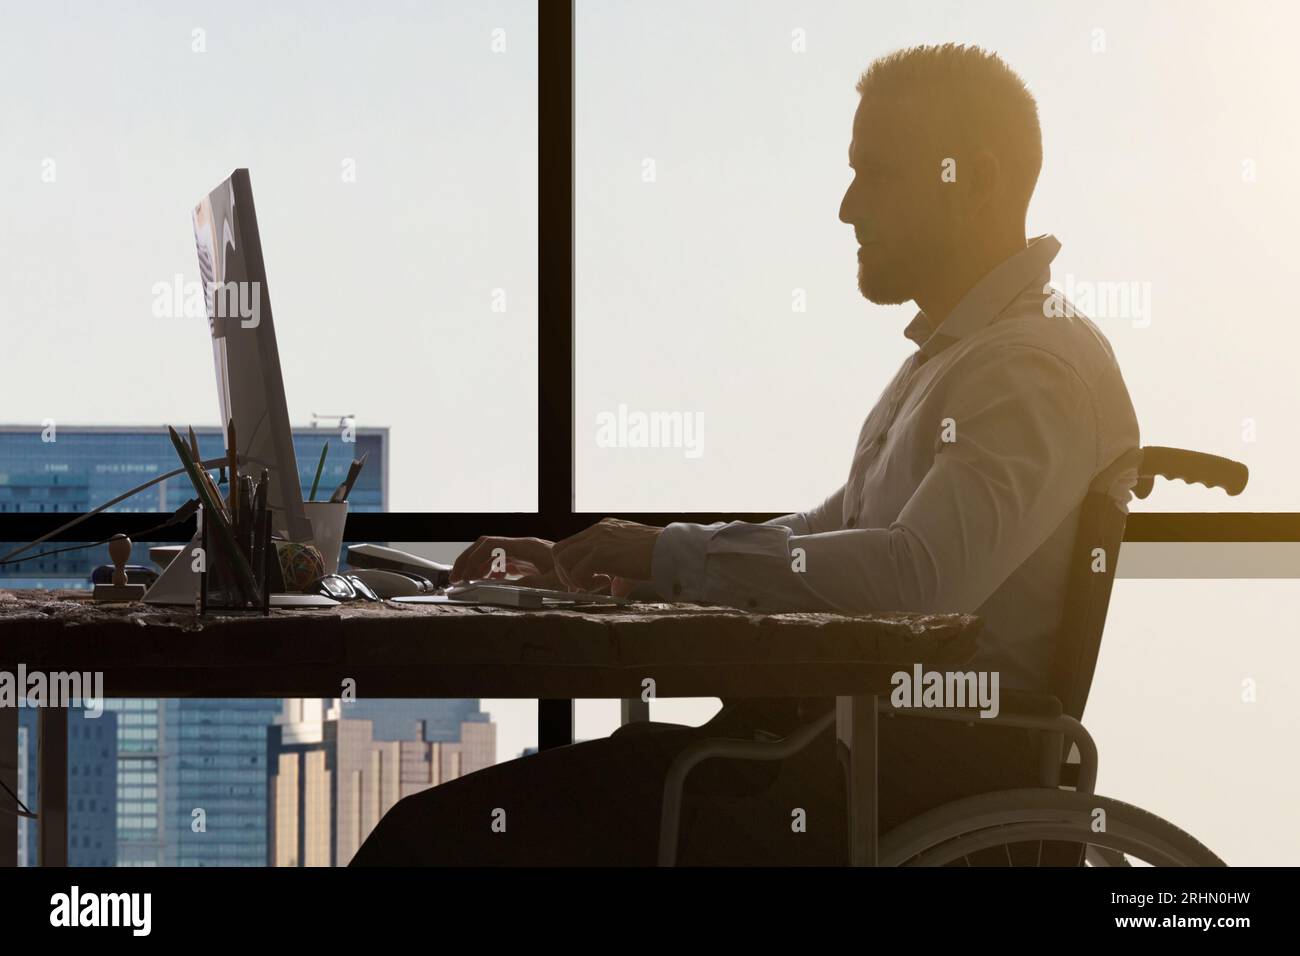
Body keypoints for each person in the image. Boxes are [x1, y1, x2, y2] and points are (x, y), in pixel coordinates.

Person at [350, 42, 1140, 867]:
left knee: (428, 843)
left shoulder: (1032, 367)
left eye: (876, 173)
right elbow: (833, 529)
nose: (846, 207)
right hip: (824, 758)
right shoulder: (961, 358)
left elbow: (918, 581)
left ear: (972, 179)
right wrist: (617, 561)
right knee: (443, 832)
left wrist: (666, 551)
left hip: (870, 788)